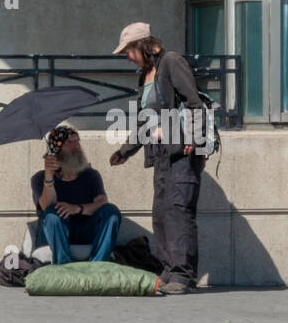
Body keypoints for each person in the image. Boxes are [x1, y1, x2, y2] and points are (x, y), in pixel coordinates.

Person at [108, 22, 206, 294]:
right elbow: (144, 122)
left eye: (128, 51)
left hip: (182, 155)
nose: (127, 57)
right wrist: (125, 152)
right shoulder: (145, 75)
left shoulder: (171, 62)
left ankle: (183, 276)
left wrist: (192, 138)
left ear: (142, 45)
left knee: (178, 213)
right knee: (161, 214)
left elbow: (193, 102)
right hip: (160, 155)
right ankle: (167, 271)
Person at [30, 125, 121, 264]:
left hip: (87, 230)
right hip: (58, 233)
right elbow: (46, 207)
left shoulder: (91, 175)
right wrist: (49, 175)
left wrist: (77, 208)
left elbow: (102, 202)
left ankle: (98, 266)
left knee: (111, 211)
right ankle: (64, 267)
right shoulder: (39, 178)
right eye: (69, 142)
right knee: (51, 214)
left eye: (77, 141)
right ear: (57, 149)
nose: (76, 146)